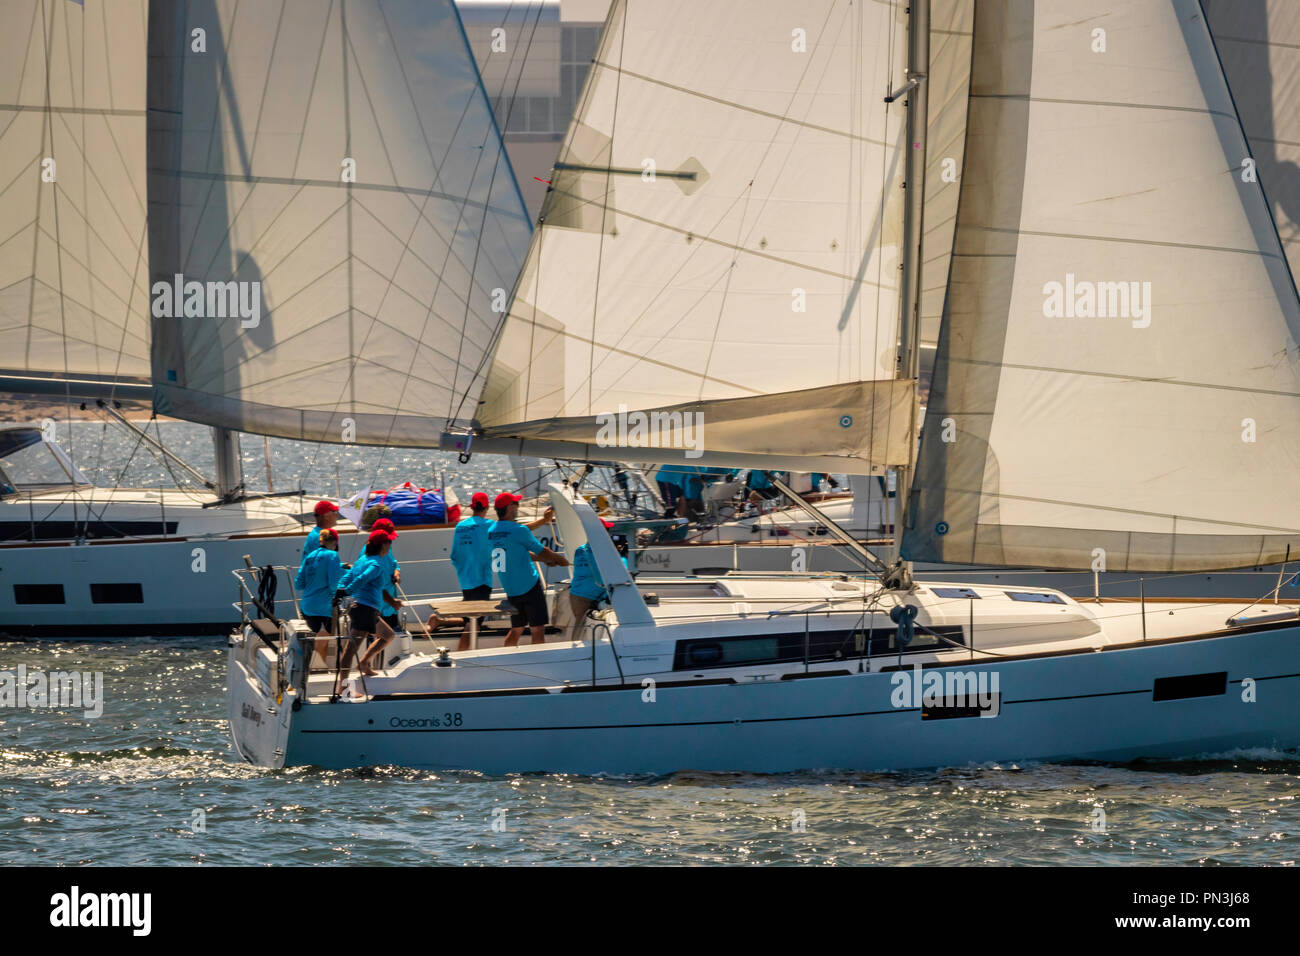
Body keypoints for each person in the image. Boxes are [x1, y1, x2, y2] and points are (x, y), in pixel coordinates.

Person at [488, 492, 567, 646]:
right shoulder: (519, 530)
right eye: (515, 503)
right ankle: (539, 662)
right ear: (509, 507)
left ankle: (507, 656)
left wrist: (544, 521)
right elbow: (541, 550)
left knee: (516, 628)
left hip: (511, 589)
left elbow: (517, 552)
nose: (518, 506)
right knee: (537, 629)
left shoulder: (492, 531)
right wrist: (559, 559)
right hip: (529, 586)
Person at [334, 529, 402, 689]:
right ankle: (344, 688)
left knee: (388, 635)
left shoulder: (363, 559)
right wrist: (345, 591)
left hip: (365, 608)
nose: (391, 546)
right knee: (350, 650)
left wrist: (340, 589)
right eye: (389, 542)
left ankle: (364, 663)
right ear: (383, 545)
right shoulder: (375, 565)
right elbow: (361, 579)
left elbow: (347, 576)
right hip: (365, 609)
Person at [434, 491, 493, 651]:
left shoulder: (460, 526)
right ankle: (462, 657)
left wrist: (464, 570)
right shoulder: (489, 526)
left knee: (470, 619)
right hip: (482, 581)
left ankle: (438, 620)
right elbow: (498, 551)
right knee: (473, 626)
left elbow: (454, 555)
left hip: (466, 580)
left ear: (472, 506)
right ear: (487, 507)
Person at [294, 527, 343, 666]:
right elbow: (334, 585)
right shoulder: (333, 556)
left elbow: (298, 584)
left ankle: (315, 668)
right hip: (323, 608)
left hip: (307, 607)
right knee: (322, 644)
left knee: (317, 640)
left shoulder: (310, 556)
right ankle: (320, 670)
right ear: (334, 542)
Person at [566, 521, 613, 642]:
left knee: (580, 627)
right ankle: (579, 655)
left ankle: (581, 652)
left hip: (577, 594)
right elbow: (603, 574)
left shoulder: (580, 550)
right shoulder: (602, 550)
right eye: (606, 531)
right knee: (580, 630)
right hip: (589, 596)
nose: (608, 533)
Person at [370, 517, 403, 634]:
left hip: (390, 608)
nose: (390, 543)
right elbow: (374, 585)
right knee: (385, 639)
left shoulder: (386, 547)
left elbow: (394, 563)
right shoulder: (371, 555)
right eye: (388, 539)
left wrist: (397, 572)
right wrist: (392, 602)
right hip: (381, 608)